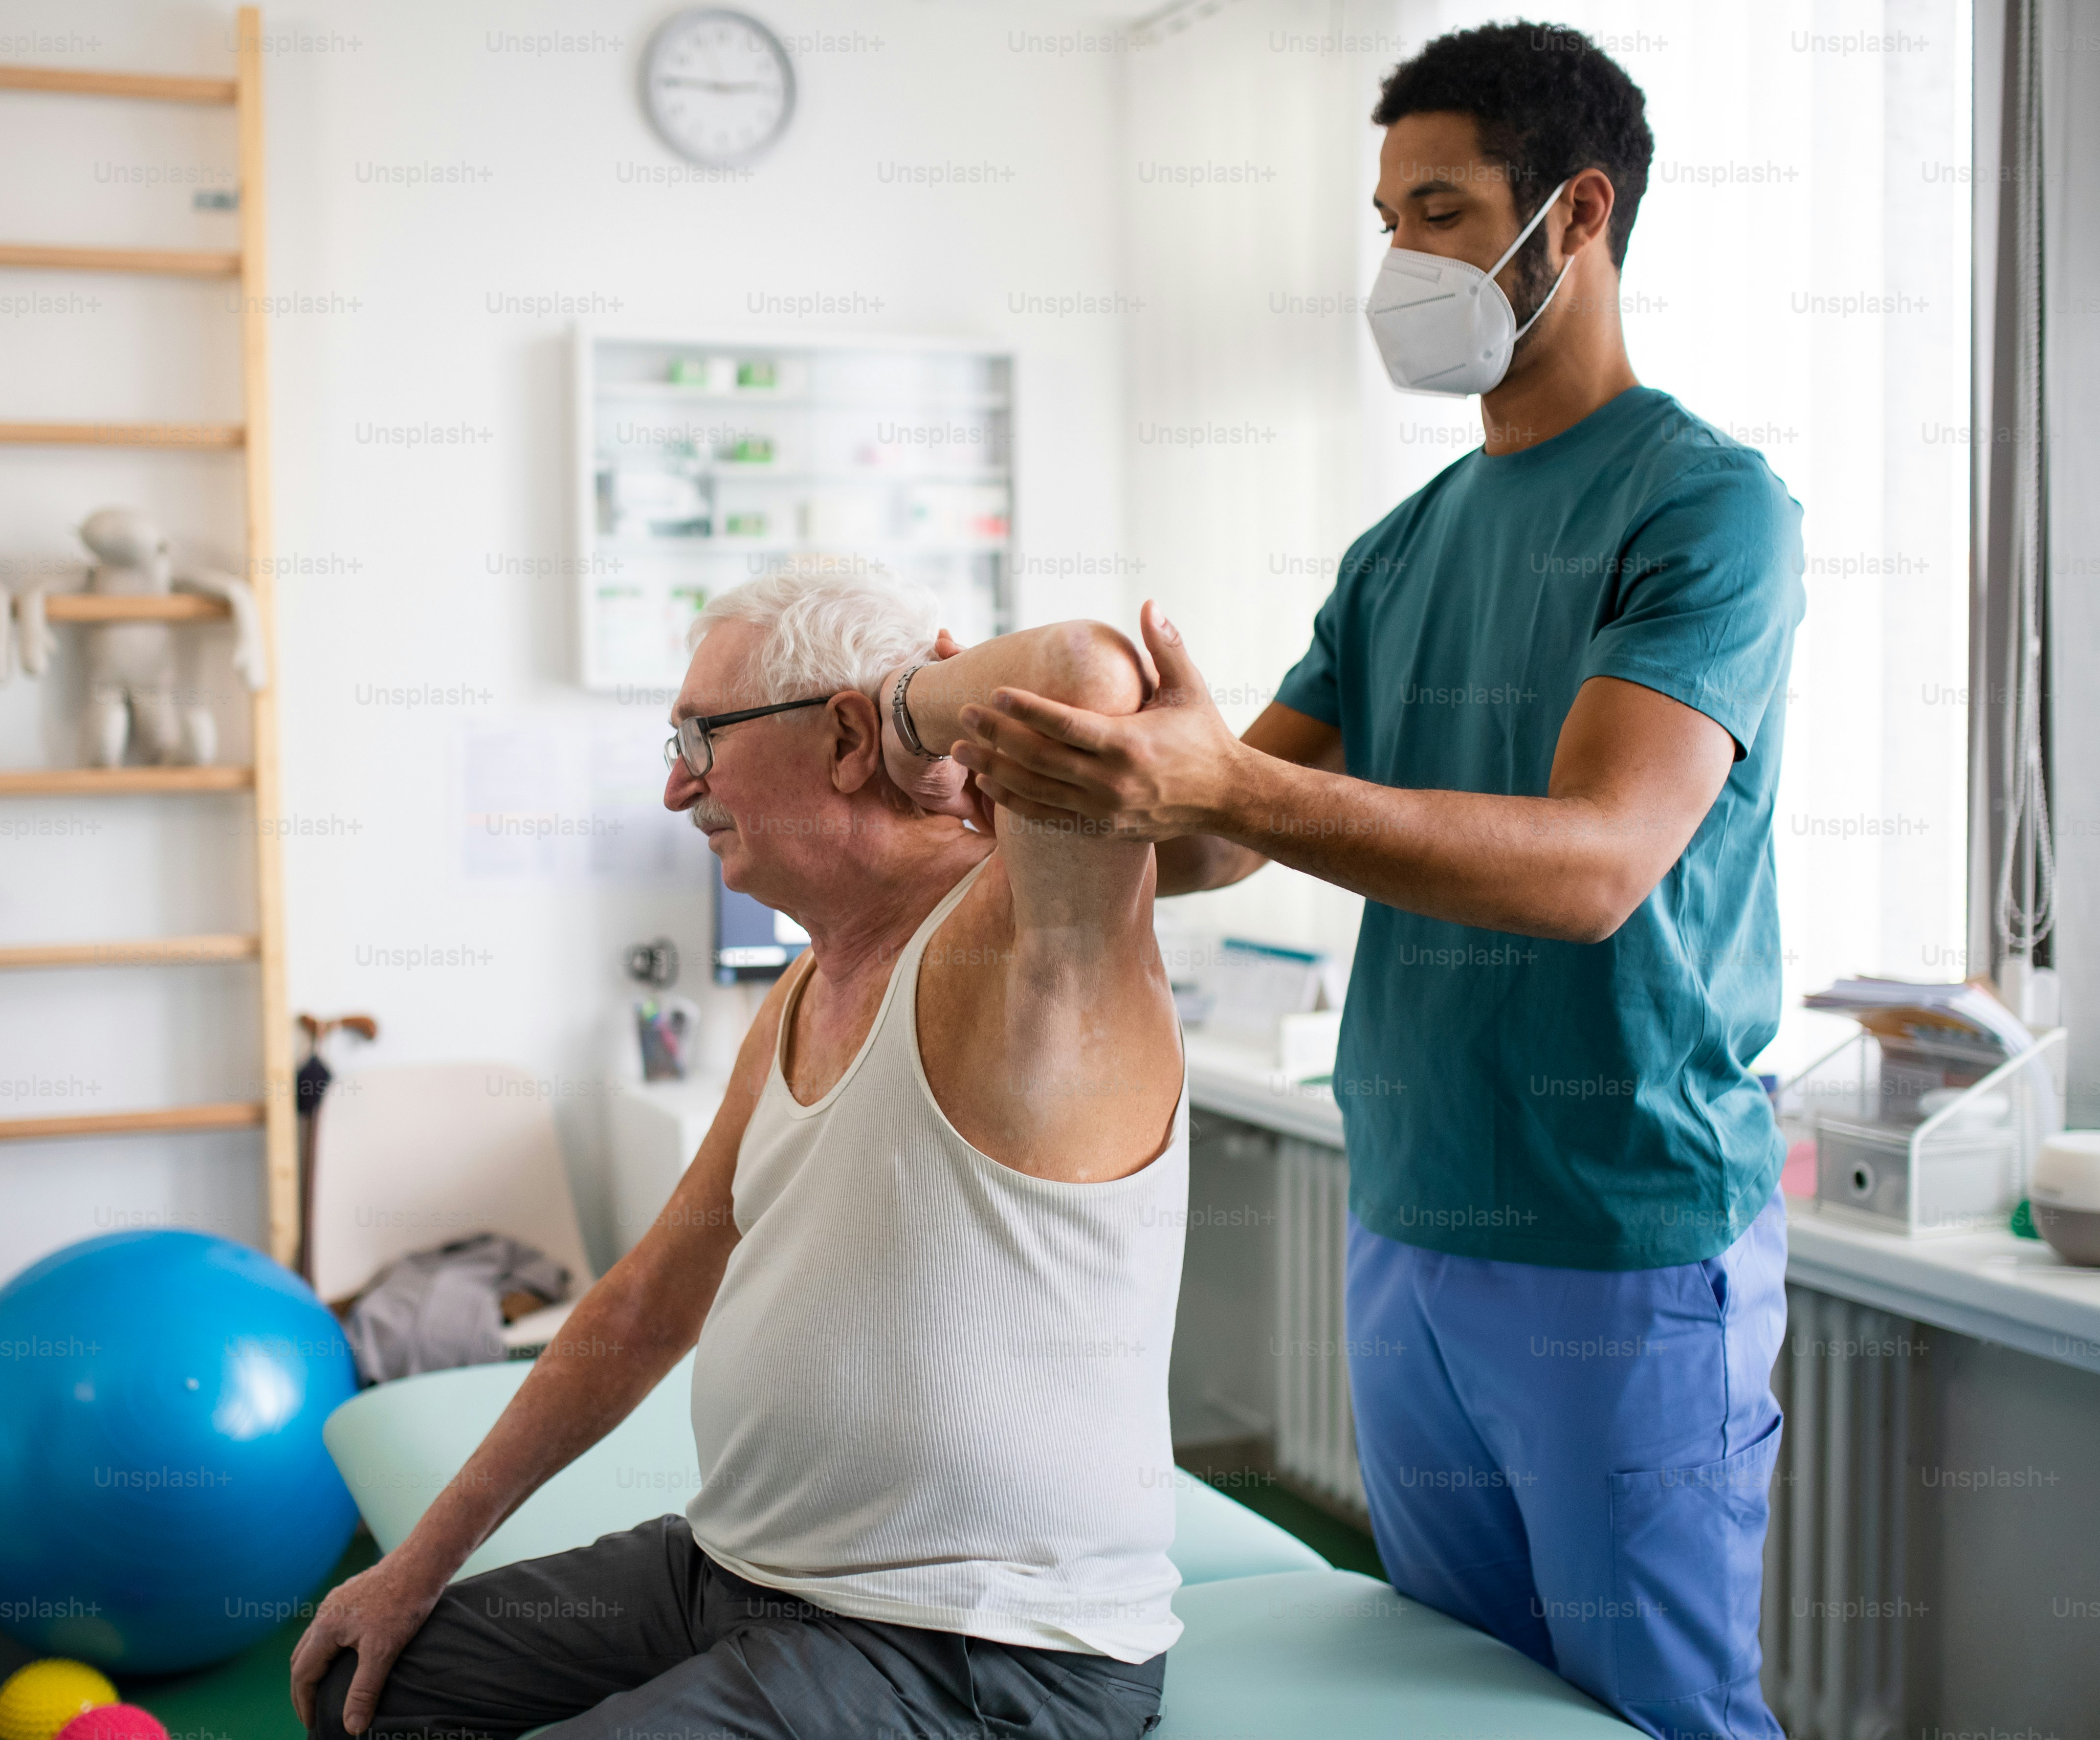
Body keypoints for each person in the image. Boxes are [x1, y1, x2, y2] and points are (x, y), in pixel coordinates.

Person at [942, 23, 1802, 1740]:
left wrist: (1214, 777)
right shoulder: (1400, 549)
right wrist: (1037, 792)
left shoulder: (1706, 508)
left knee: (1653, 1715)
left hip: (1616, 1236)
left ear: (1575, 215)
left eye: (1437, 210)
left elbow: (1595, 870)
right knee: (1455, 1701)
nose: (1400, 260)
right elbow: (1216, 832)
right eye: (1385, 218)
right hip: (1410, 1212)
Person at [289, 568, 1189, 1740]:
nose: (674, 786)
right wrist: (417, 1562)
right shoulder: (801, 993)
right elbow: (644, 1303)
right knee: (364, 1692)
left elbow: (1088, 673)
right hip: (736, 1574)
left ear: (848, 736)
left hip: (974, 1643)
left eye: (697, 737)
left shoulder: (1024, 949)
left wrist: (909, 709)